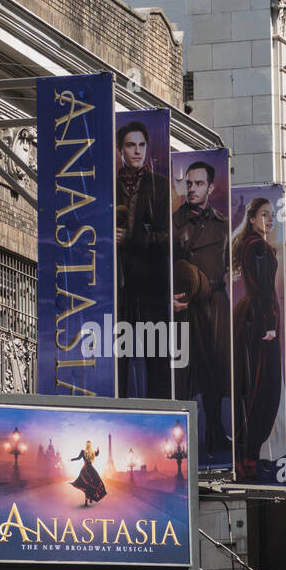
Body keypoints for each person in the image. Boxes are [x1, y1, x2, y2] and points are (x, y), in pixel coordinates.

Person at [172, 159, 231, 458]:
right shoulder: (174, 223)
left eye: (198, 184)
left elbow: (232, 265)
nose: (191, 189)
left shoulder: (222, 225)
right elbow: (160, 266)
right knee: (183, 372)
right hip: (184, 306)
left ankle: (215, 431)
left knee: (214, 370)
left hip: (214, 305)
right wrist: (167, 296)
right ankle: (182, 439)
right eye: (188, 183)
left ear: (211, 186)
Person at [115, 119, 171, 398]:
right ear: (120, 150)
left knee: (156, 358)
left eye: (141, 145)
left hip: (151, 286)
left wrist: (131, 238)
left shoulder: (160, 186)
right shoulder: (109, 186)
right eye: (130, 145)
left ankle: (159, 417)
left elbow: (168, 238)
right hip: (119, 285)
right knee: (116, 356)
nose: (137, 151)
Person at [231, 195, 283, 479]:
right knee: (263, 388)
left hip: (250, 318)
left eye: (272, 214)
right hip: (259, 322)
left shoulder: (253, 245)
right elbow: (264, 290)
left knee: (252, 385)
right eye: (264, 214)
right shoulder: (259, 247)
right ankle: (248, 457)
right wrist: (270, 324)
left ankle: (247, 454)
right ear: (251, 218)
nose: (270, 218)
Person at [69, 441, 107, 507]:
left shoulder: (83, 451)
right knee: (94, 483)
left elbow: (78, 458)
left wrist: (71, 459)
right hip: (91, 469)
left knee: (86, 485)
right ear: (90, 445)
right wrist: (98, 450)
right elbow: (97, 454)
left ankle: (87, 500)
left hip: (85, 469)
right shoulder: (92, 452)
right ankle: (91, 497)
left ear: (86, 445)